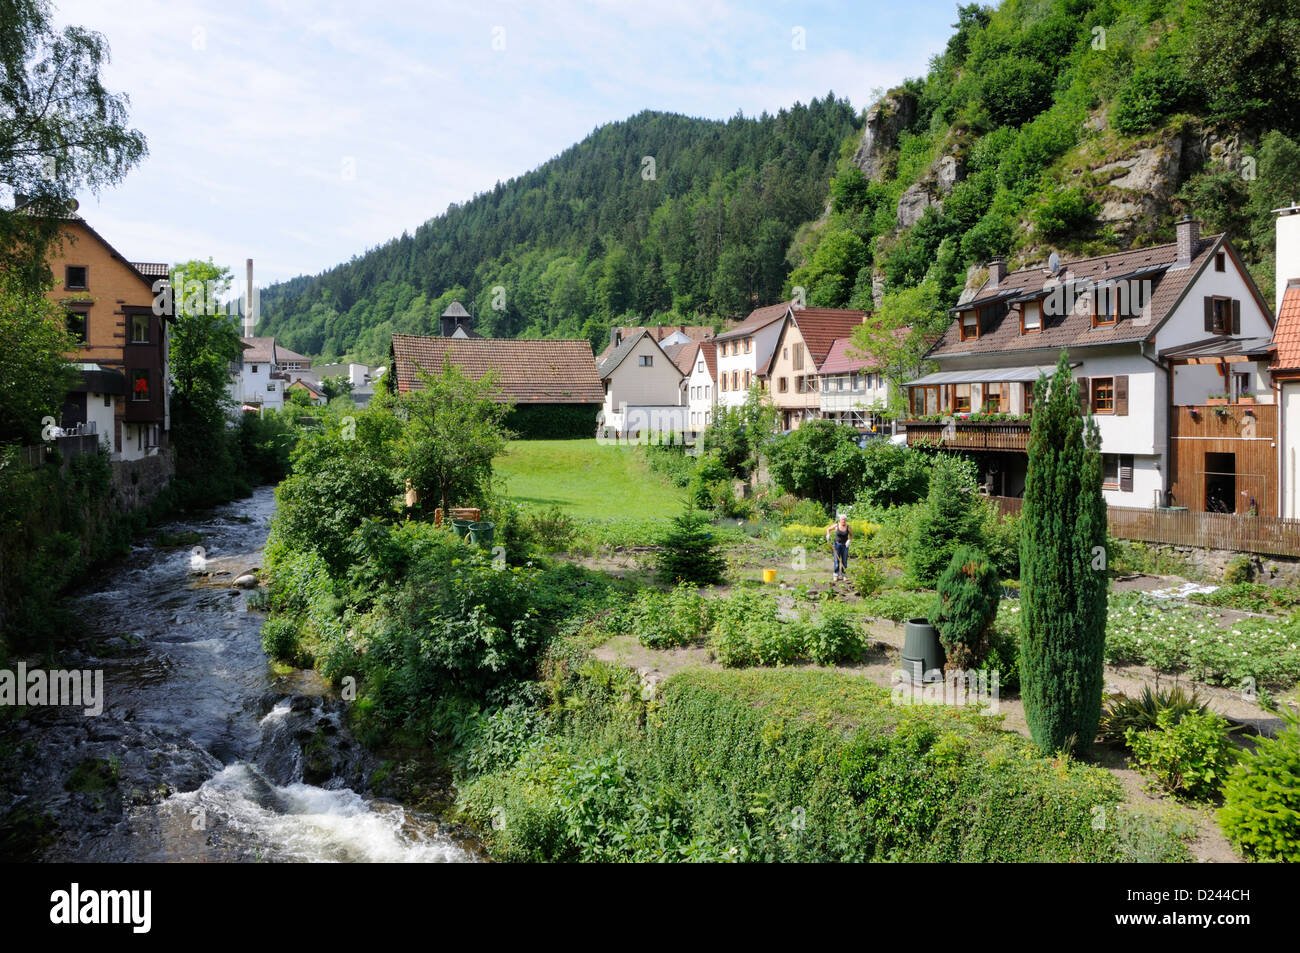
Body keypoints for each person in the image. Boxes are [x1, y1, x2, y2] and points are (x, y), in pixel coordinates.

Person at [825, 515, 852, 582]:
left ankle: (844, 574)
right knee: (836, 560)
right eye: (842, 519)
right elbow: (828, 529)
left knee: (844, 561)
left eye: (845, 520)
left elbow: (851, 535)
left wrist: (849, 540)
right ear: (840, 520)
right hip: (837, 545)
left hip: (845, 546)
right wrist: (828, 535)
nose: (843, 521)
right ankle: (836, 575)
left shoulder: (848, 527)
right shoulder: (836, 525)